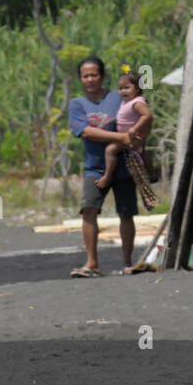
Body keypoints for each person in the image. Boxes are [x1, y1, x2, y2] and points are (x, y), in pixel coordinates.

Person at [67, 56, 138, 277]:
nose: (90, 79)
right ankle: (92, 264)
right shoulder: (77, 104)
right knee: (88, 210)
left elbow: (139, 115)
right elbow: (87, 132)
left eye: (94, 75)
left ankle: (127, 263)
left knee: (126, 213)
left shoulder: (119, 97)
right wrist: (120, 136)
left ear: (102, 76)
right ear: (80, 79)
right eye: (85, 76)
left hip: (124, 164)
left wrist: (135, 142)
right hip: (94, 167)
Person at [95, 70, 152, 190]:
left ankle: (107, 176)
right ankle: (152, 174)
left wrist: (134, 129)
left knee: (110, 150)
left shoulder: (137, 103)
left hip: (131, 136)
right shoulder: (127, 101)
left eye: (127, 88)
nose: (123, 91)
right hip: (126, 136)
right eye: (120, 88)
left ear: (137, 89)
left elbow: (147, 115)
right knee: (142, 152)